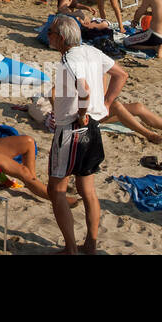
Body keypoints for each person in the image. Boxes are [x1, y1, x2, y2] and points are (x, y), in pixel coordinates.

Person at [47, 15, 127, 255]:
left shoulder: (70, 60)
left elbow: (84, 89)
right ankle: (90, 244)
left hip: (73, 130)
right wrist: (107, 103)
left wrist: (82, 112)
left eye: (50, 33)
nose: (47, 36)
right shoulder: (91, 52)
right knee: (87, 189)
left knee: (57, 190)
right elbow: (121, 75)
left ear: (61, 38)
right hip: (94, 128)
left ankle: (71, 248)